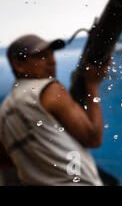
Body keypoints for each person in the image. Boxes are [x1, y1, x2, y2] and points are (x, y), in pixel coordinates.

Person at [0, 34, 109, 185]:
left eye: (51, 54)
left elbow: (7, 160)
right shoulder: (49, 89)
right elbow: (93, 138)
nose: (52, 61)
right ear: (18, 64)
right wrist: (92, 84)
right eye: (41, 56)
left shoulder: (4, 111)